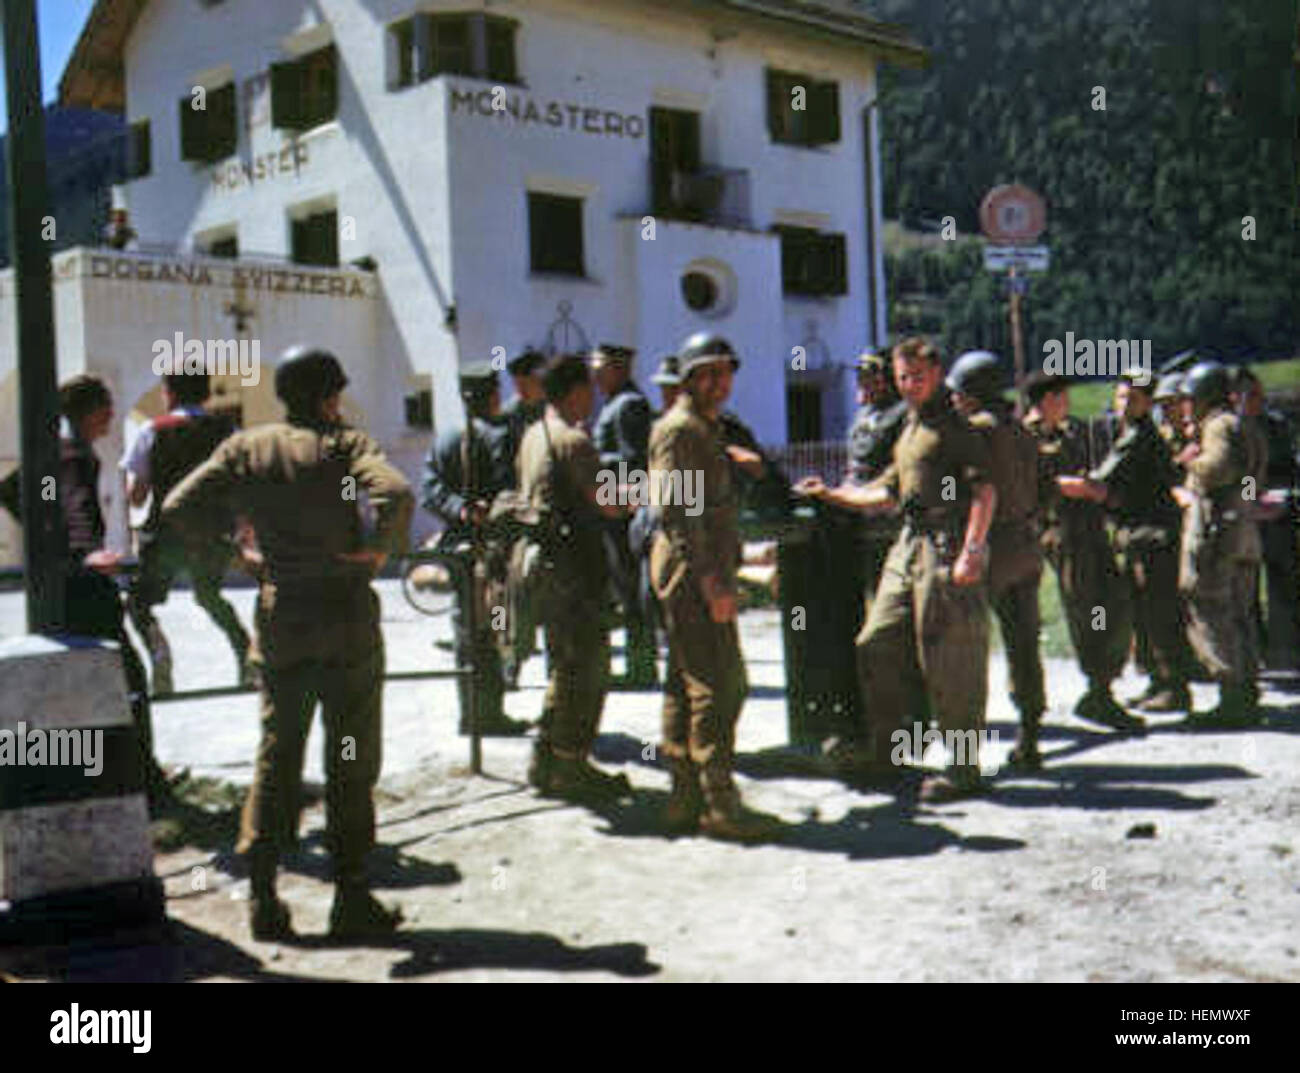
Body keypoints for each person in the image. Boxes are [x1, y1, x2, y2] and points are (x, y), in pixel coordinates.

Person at [161, 346, 413, 941]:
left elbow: (177, 507)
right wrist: (380, 548)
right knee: (349, 758)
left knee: (278, 756)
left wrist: (236, 553)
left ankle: (265, 899)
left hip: (283, 623)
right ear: (329, 396)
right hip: (346, 621)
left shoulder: (246, 447)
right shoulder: (346, 444)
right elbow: (398, 495)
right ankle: (351, 898)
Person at [797, 337, 996, 803]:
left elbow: (985, 492)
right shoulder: (910, 427)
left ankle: (964, 769)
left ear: (938, 373)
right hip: (908, 543)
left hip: (946, 546)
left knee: (951, 659)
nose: (909, 385)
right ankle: (887, 751)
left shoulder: (955, 428)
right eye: (903, 377)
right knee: (877, 642)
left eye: (918, 376)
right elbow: (885, 492)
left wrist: (972, 550)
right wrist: (829, 494)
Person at [0, 375, 170, 807]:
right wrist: (81, 553)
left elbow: (12, 490)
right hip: (86, 588)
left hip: (64, 586)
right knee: (128, 679)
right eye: (107, 406)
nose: (113, 414)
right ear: (89, 410)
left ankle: (105, 775)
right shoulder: (76, 455)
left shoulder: (56, 452)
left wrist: (49, 545)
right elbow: (74, 505)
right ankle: (145, 782)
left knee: (83, 681)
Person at [651, 333, 781, 839]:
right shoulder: (680, 429)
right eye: (708, 373)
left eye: (725, 372)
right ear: (688, 379)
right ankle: (720, 803)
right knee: (719, 683)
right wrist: (710, 580)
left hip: (700, 568)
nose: (719, 382)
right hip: (692, 573)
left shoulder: (705, 427)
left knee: (686, 684)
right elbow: (678, 511)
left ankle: (685, 797)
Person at [519, 354, 633, 802]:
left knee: (564, 666)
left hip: (546, 569)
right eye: (589, 387)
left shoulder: (534, 434)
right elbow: (608, 502)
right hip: (575, 571)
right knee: (587, 668)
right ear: (574, 391)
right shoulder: (573, 441)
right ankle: (570, 765)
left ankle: (546, 759)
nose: (595, 395)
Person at [1062, 370, 1192, 715]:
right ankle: (1159, 682)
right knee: (1146, 613)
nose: (1124, 404)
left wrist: (1055, 482)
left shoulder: (1138, 436)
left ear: (1148, 402)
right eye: (1120, 397)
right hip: (1142, 536)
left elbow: (1099, 484)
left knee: (1158, 612)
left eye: (1132, 398)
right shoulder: (1134, 432)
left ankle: (1173, 685)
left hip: (1150, 537)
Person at [122, 371, 250, 696]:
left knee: (139, 602)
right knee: (209, 596)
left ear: (169, 393)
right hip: (213, 532)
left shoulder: (152, 430)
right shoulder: (228, 430)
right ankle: (248, 656)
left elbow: (137, 495)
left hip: (164, 535)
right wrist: (242, 527)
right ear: (207, 393)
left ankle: (158, 652)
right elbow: (242, 483)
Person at [947, 352, 1047, 769]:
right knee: (1024, 644)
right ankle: (1029, 736)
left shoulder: (977, 431)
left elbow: (965, 488)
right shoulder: (1021, 429)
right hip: (1026, 542)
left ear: (972, 395)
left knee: (965, 646)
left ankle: (964, 752)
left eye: (958, 392)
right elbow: (1047, 486)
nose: (953, 400)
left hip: (991, 545)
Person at [421, 364, 529, 736]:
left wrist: (459, 510)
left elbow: (430, 491)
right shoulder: (501, 436)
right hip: (492, 550)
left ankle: (472, 712)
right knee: (494, 629)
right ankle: (489, 713)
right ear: (493, 393)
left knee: (467, 631)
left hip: (458, 548)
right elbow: (512, 491)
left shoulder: (446, 438)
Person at [1023, 372, 1133, 734]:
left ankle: (1103, 683)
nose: (1067, 400)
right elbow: (1036, 481)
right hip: (1064, 534)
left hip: (1090, 530)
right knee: (1087, 606)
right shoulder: (1028, 436)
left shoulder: (1071, 432)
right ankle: (1097, 688)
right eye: (1060, 395)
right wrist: (1076, 488)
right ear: (1045, 400)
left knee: (1108, 603)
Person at [1175, 362, 1263, 727]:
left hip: (1217, 533)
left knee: (1211, 609)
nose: (1183, 407)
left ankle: (1231, 697)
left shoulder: (1217, 426)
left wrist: (1191, 463)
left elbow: (1220, 466)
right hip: (1243, 527)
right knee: (1241, 612)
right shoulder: (1243, 424)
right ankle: (1246, 690)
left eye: (1187, 399)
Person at [591, 344, 659, 688]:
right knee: (625, 588)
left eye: (601, 368)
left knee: (632, 589)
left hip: (623, 509)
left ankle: (642, 666)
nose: (595, 375)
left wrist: (596, 461)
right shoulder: (614, 403)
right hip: (612, 504)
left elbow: (634, 461)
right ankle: (639, 662)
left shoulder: (629, 405)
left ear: (619, 369)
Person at [498, 348, 548, 686]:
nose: (520, 389)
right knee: (510, 592)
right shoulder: (509, 416)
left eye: (525, 382)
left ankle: (549, 663)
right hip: (514, 515)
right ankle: (510, 659)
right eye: (517, 383)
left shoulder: (551, 414)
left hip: (545, 514)